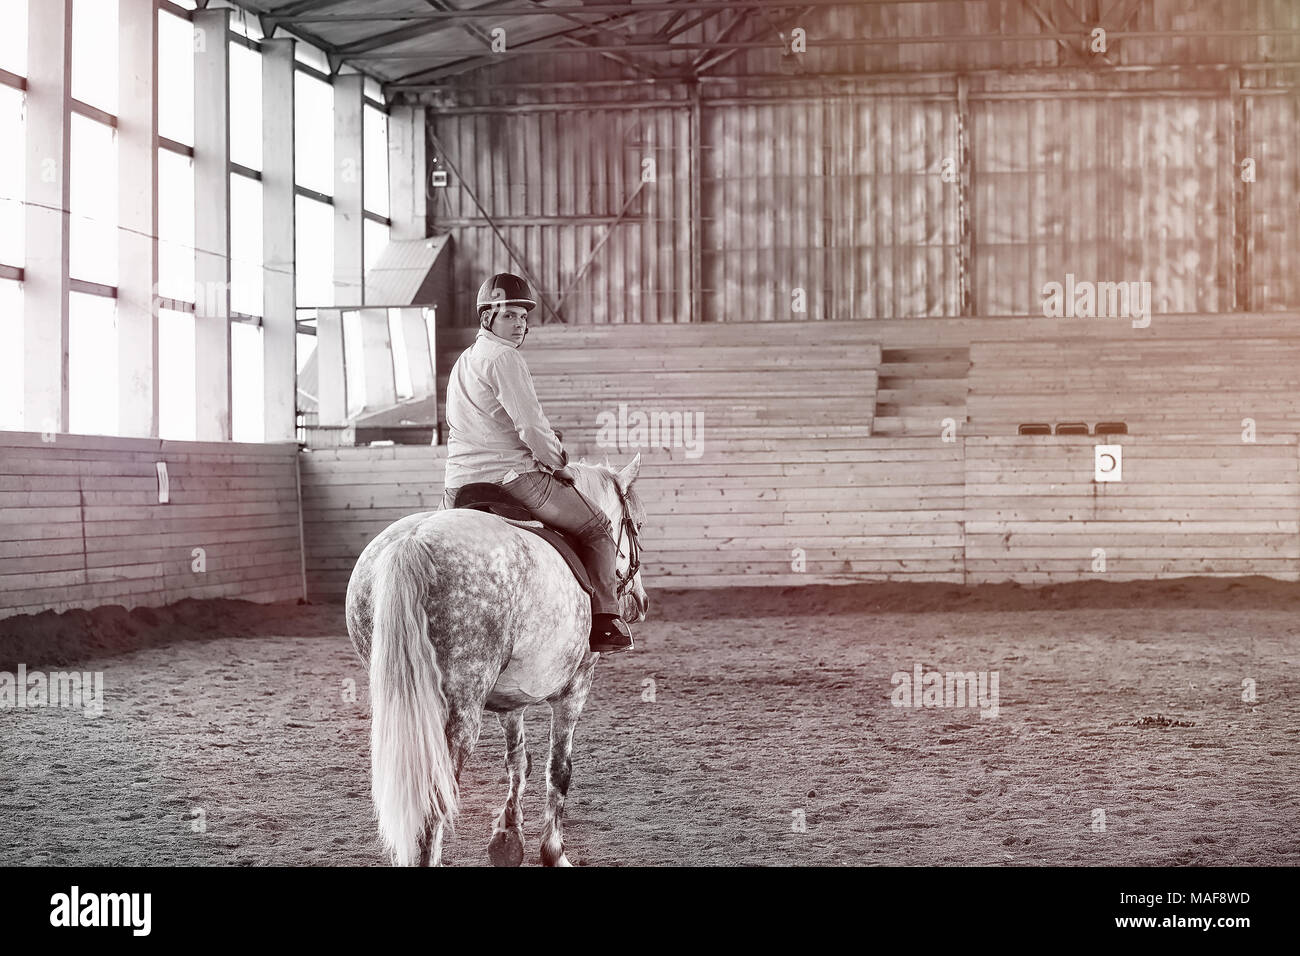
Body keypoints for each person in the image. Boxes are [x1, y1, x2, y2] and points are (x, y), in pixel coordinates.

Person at [440, 272, 634, 654]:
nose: (520, 324)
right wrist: (557, 459)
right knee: (598, 527)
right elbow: (530, 427)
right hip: (511, 478)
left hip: (457, 484)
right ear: (487, 319)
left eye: (523, 317)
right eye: (510, 316)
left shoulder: (465, 360)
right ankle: (606, 621)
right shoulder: (505, 358)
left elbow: (485, 422)